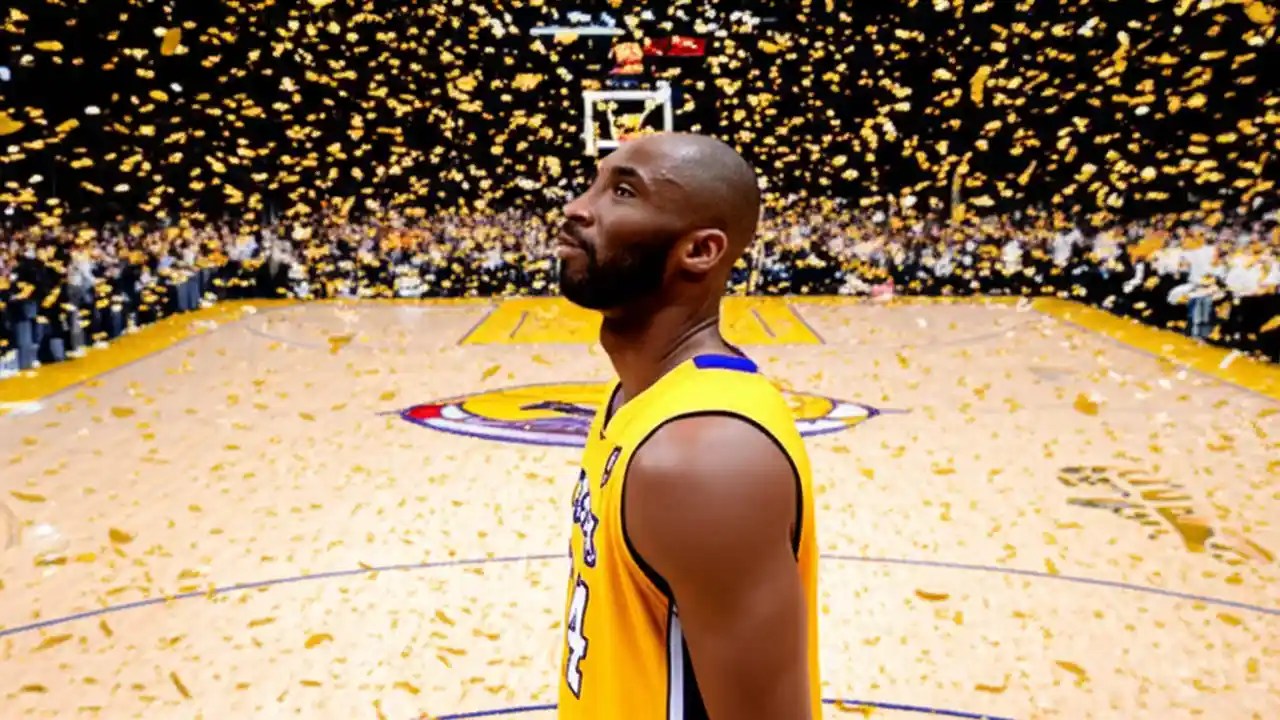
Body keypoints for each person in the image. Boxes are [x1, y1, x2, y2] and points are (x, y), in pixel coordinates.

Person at [554, 132, 821, 720]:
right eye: (595, 181)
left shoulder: (702, 456)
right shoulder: (638, 400)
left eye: (622, 191)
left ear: (699, 251)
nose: (577, 206)